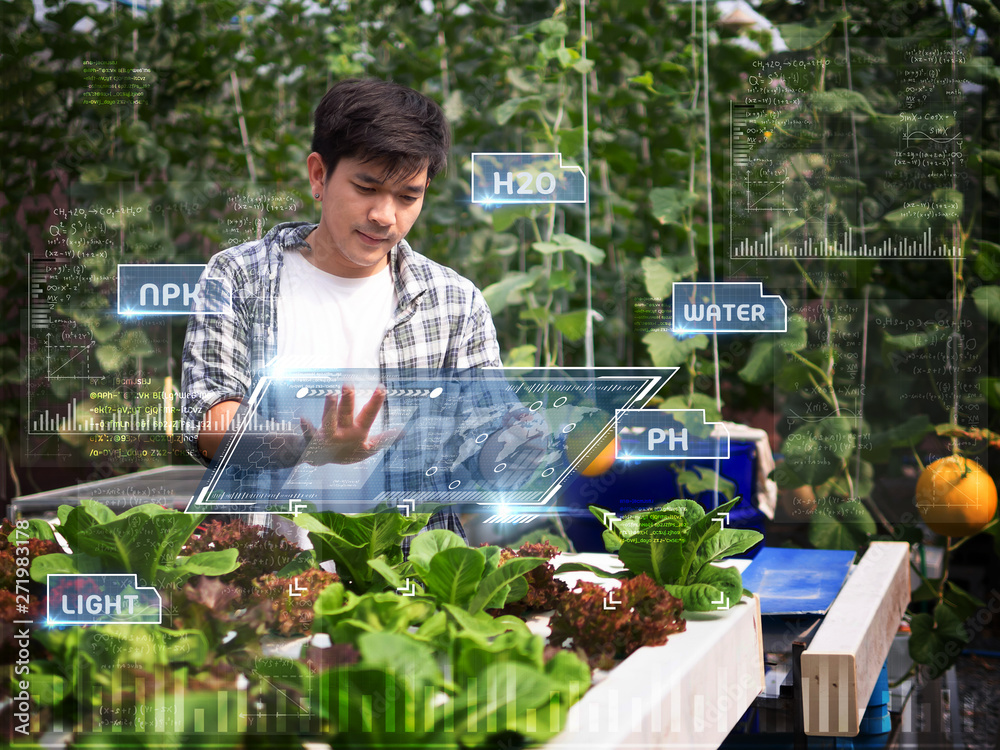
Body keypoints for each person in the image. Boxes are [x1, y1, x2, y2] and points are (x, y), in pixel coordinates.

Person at [181, 77, 503, 543]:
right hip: (265, 575)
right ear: (319, 175)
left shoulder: (454, 301)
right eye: (367, 187)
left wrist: (542, 441)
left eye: (408, 196)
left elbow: (489, 437)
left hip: (409, 580)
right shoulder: (238, 276)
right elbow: (208, 420)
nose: (385, 215)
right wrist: (307, 447)